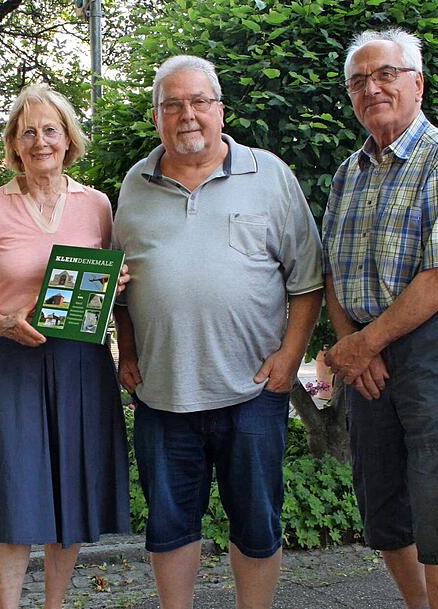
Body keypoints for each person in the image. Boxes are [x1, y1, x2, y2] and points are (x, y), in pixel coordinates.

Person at [112, 55, 323, 609]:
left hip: (251, 390)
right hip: (162, 391)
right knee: (170, 526)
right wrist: (127, 350)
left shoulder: (271, 174)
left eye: (199, 101)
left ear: (220, 109)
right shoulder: (135, 183)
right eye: (173, 103)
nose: (188, 114)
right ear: (156, 114)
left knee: (256, 522)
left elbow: (307, 281)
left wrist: (290, 356)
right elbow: (120, 283)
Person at [322, 29, 438, 609]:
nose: (371, 88)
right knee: (384, 508)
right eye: (358, 81)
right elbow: (333, 272)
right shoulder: (349, 173)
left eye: (385, 74)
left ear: (417, 83)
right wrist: (352, 344)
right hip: (370, 350)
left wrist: (361, 345)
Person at [0, 83, 130, 609]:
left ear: (69, 139)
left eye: (51, 129)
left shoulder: (96, 205)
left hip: (79, 364)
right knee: (14, 492)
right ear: (15, 144)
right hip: (11, 364)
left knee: (68, 492)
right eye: (29, 132)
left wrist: (115, 283)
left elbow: (109, 282)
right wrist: (1, 322)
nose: (41, 141)